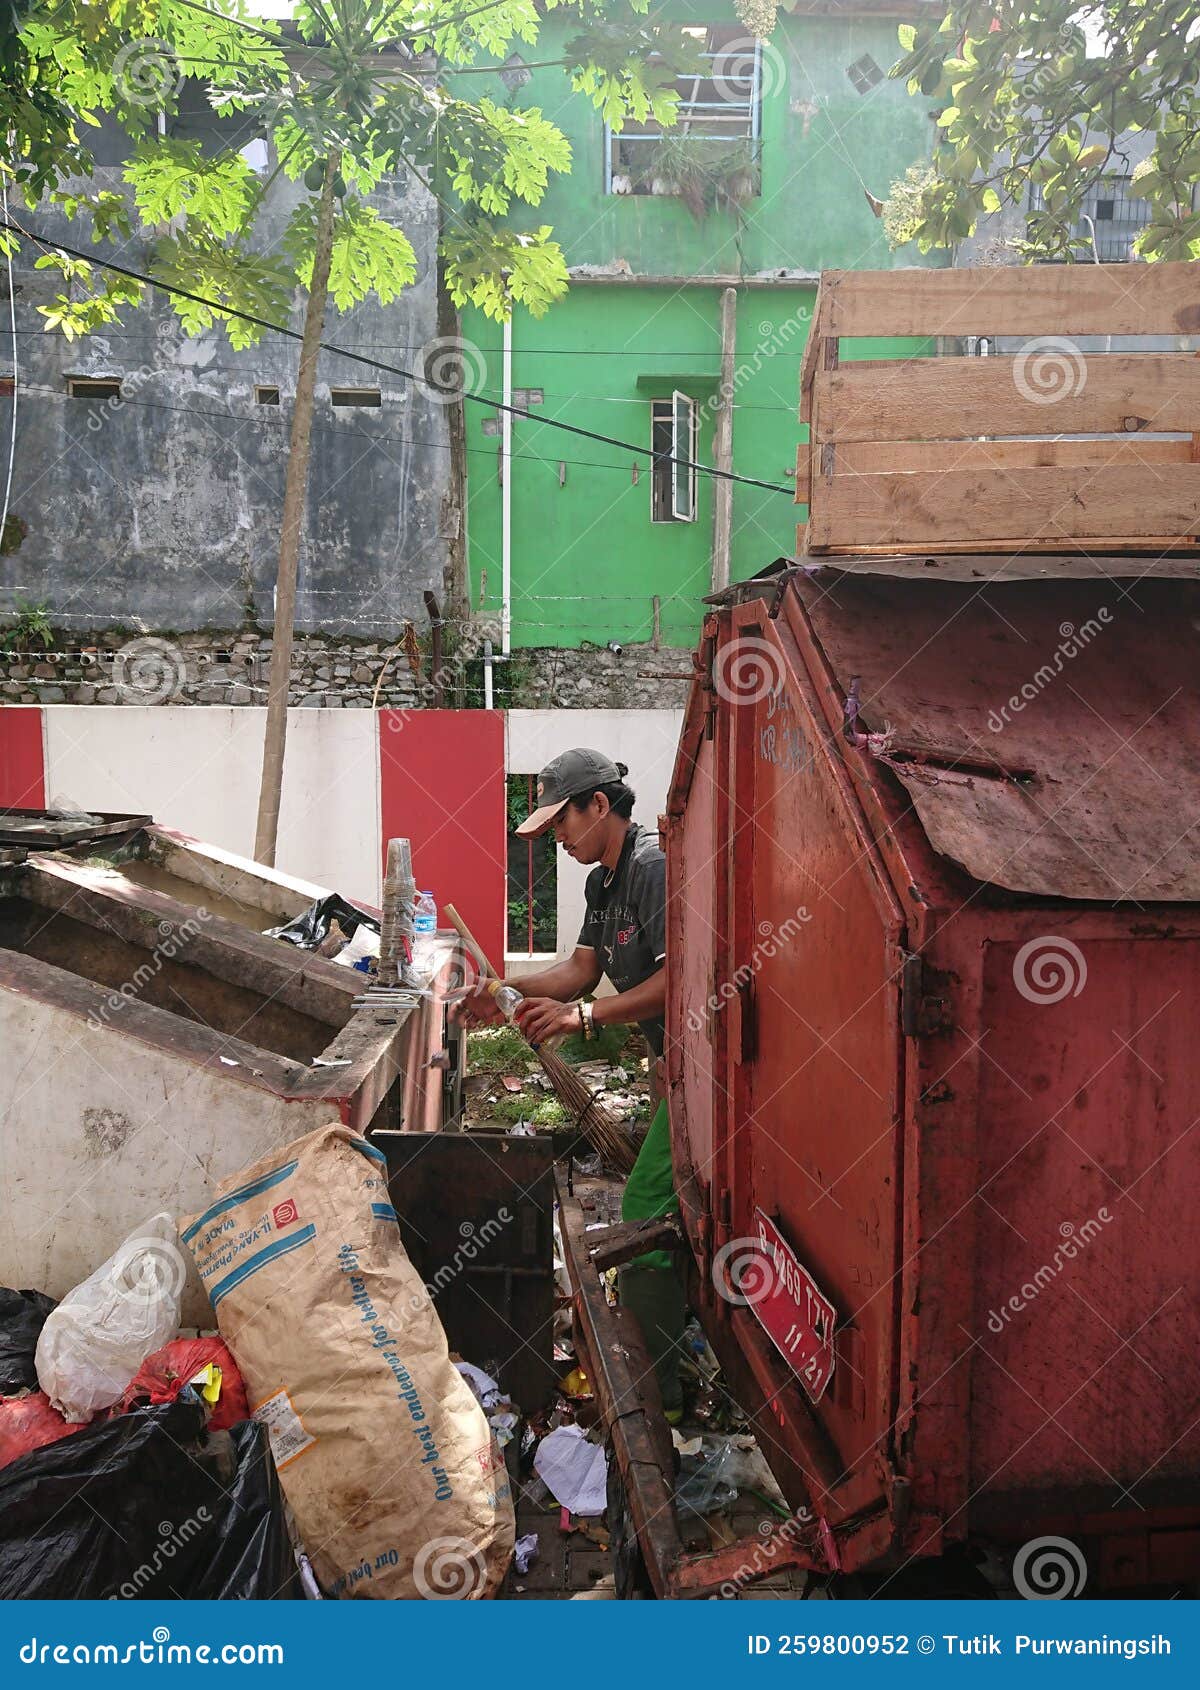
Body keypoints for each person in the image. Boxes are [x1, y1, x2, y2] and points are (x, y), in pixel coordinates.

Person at [455, 747, 685, 1420]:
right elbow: (580, 970)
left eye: (562, 823)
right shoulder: (602, 883)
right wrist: (503, 986)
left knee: (645, 1201)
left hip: (708, 1071)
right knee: (676, 1202)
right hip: (672, 1068)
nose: (558, 838)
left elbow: (680, 980)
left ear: (599, 806)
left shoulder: (650, 868)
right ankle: (672, 1335)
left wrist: (584, 1018)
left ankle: (657, 1393)